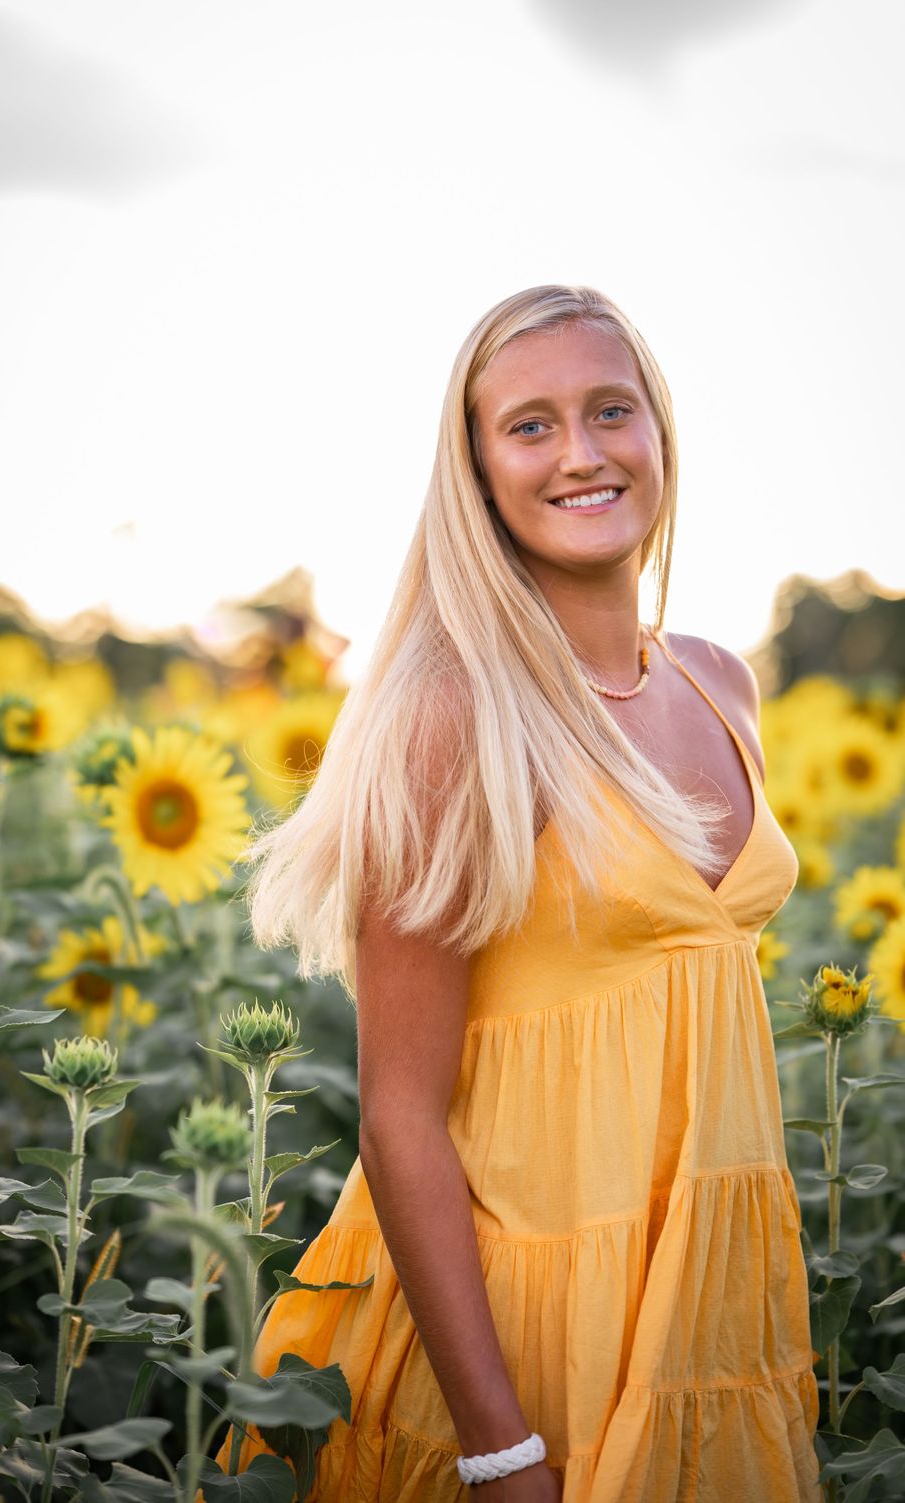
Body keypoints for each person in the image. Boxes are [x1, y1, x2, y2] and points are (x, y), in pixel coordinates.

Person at [216, 285, 823, 1500]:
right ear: (478, 470)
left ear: (659, 432)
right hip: (518, 1333)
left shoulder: (720, 683)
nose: (583, 453)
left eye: (611, 410)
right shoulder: (454, 717)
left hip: (705, 1299)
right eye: (530, 426)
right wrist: (501, 1449)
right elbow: (399, 1114)